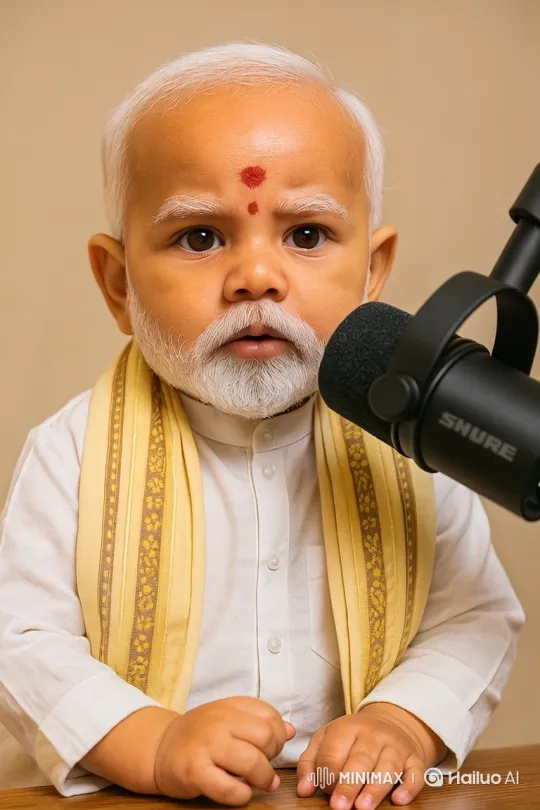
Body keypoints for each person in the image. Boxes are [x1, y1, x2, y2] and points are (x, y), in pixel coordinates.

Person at [0, 42, 524, 810]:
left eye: (306, 235)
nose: (255, 277)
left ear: (373, 273)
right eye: (200, 236)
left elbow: (473, 614)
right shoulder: (72, 454)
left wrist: (402, 721)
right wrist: (151, 743)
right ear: (118, 284)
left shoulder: (411, 441)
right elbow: (19, 638)